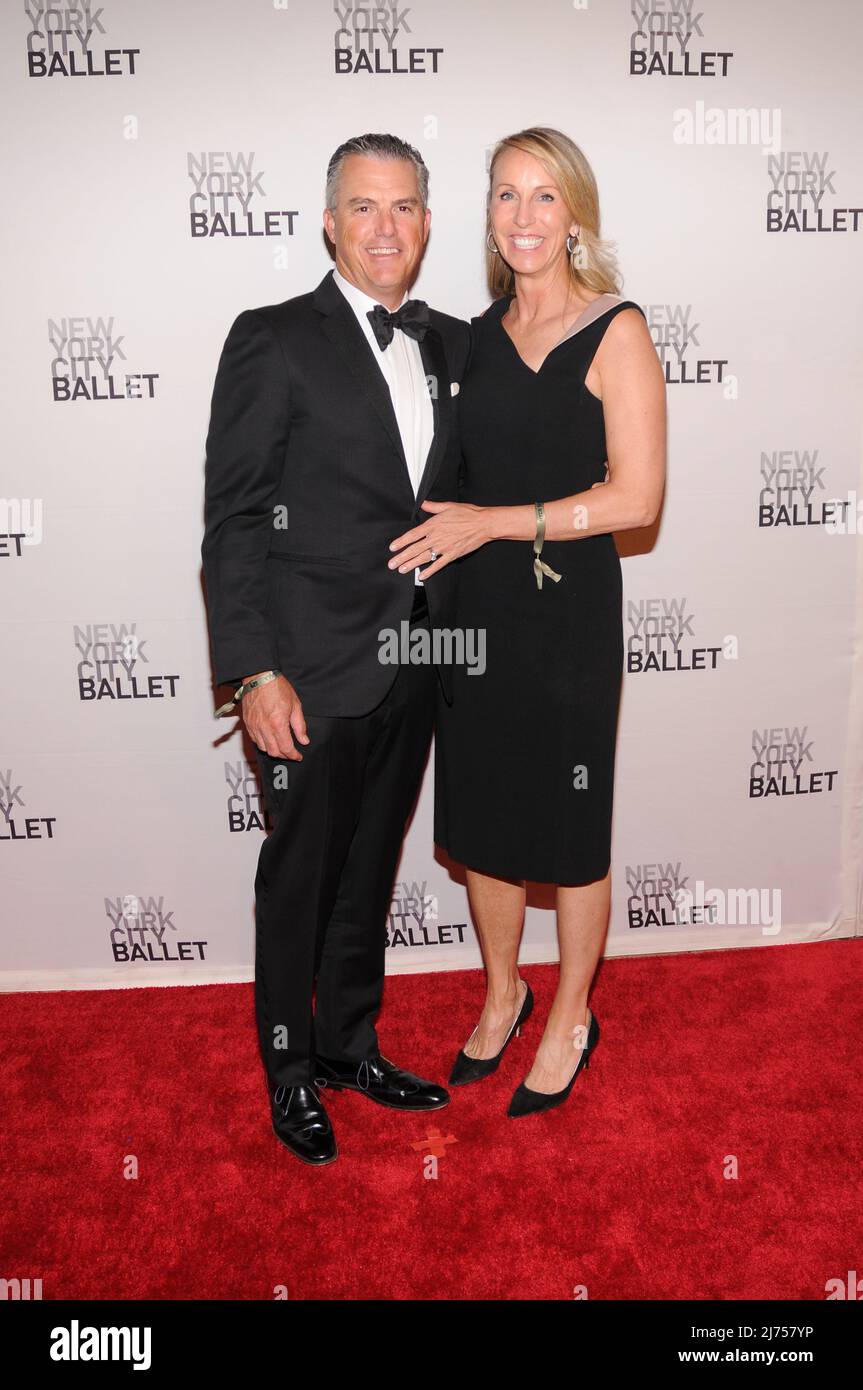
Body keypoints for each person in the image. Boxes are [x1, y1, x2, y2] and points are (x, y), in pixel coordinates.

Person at [201, 133, 471, 1164]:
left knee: (368, 869)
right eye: (363, 207)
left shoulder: (448, 342)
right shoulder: (271, 338)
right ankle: (286, 1069)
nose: (385, 228)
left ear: (427, 221)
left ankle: (349, 1044)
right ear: (327, 221)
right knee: (299, 876)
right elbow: (232, 520)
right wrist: (253, 671)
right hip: (306, 669)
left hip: (415, 662)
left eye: (404, 207)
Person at [388, 127, 666, 1117]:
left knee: (568, 824)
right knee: (485, 822)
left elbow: (634, 498)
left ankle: (572, 1014)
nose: (521, 216)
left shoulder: (615, 329)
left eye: (543, 196)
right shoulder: (468, 339)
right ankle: (504, 989)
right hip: (476, 613)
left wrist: (492, 525)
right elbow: (437, 485)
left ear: (574, 214)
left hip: (565, 618)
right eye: (504, 195)